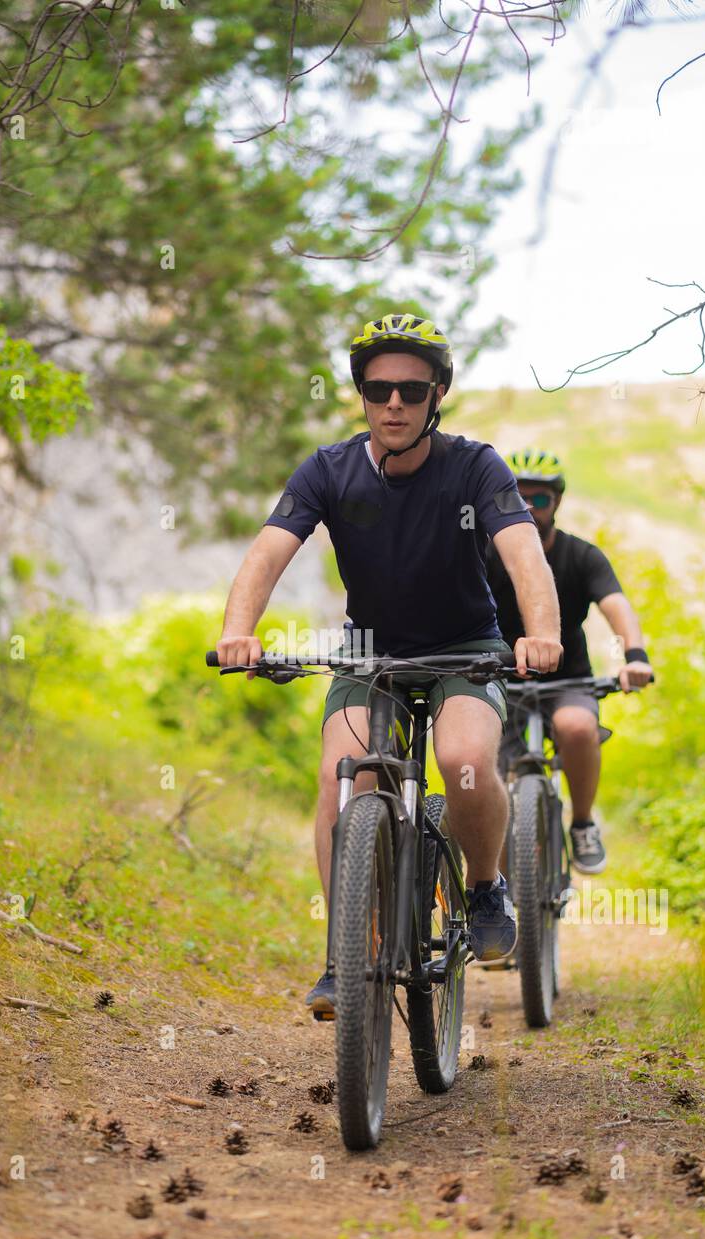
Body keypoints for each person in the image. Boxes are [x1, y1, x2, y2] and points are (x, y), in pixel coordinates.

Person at [213, 313, 563, 1018]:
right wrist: (237, 632)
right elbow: (269, 550)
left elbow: (523, 553)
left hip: (464, 647)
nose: (394, 404)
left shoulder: (476, 466)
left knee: (465, 759)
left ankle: (488, 885)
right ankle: (349, 955)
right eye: (378, 390)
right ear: (363, 395)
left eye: (410, 389)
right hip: (370, 652)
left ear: (437, 393)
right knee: (342, 776)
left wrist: (541, 634)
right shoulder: (328, 469)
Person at [486, 451, 654, 874]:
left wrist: (634, 656)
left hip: (568, 681)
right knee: (485, 778)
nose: (527, 509)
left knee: (577, 728)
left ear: (556, 504)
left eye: (538, 500)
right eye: (516, 499)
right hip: (496, 679)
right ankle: (493, 891)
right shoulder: (486, 555)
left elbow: (616, 605)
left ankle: (581, 823)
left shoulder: (582, 556)